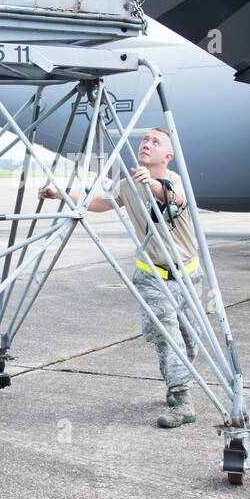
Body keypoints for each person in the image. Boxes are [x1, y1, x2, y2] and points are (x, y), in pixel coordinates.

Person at [39, 127, 204, 429]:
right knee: (168, 337)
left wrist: (152, 184)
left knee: (191, 341)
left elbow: (174, 197)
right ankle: (183, 401)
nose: (147, 145)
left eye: (155, 142)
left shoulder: (176, 181)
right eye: (145, 140)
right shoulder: (128, 184)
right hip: (152, 275)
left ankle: (175, 382)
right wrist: (59, 192)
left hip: (189, 276)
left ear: (167, 155)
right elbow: (100, 201)